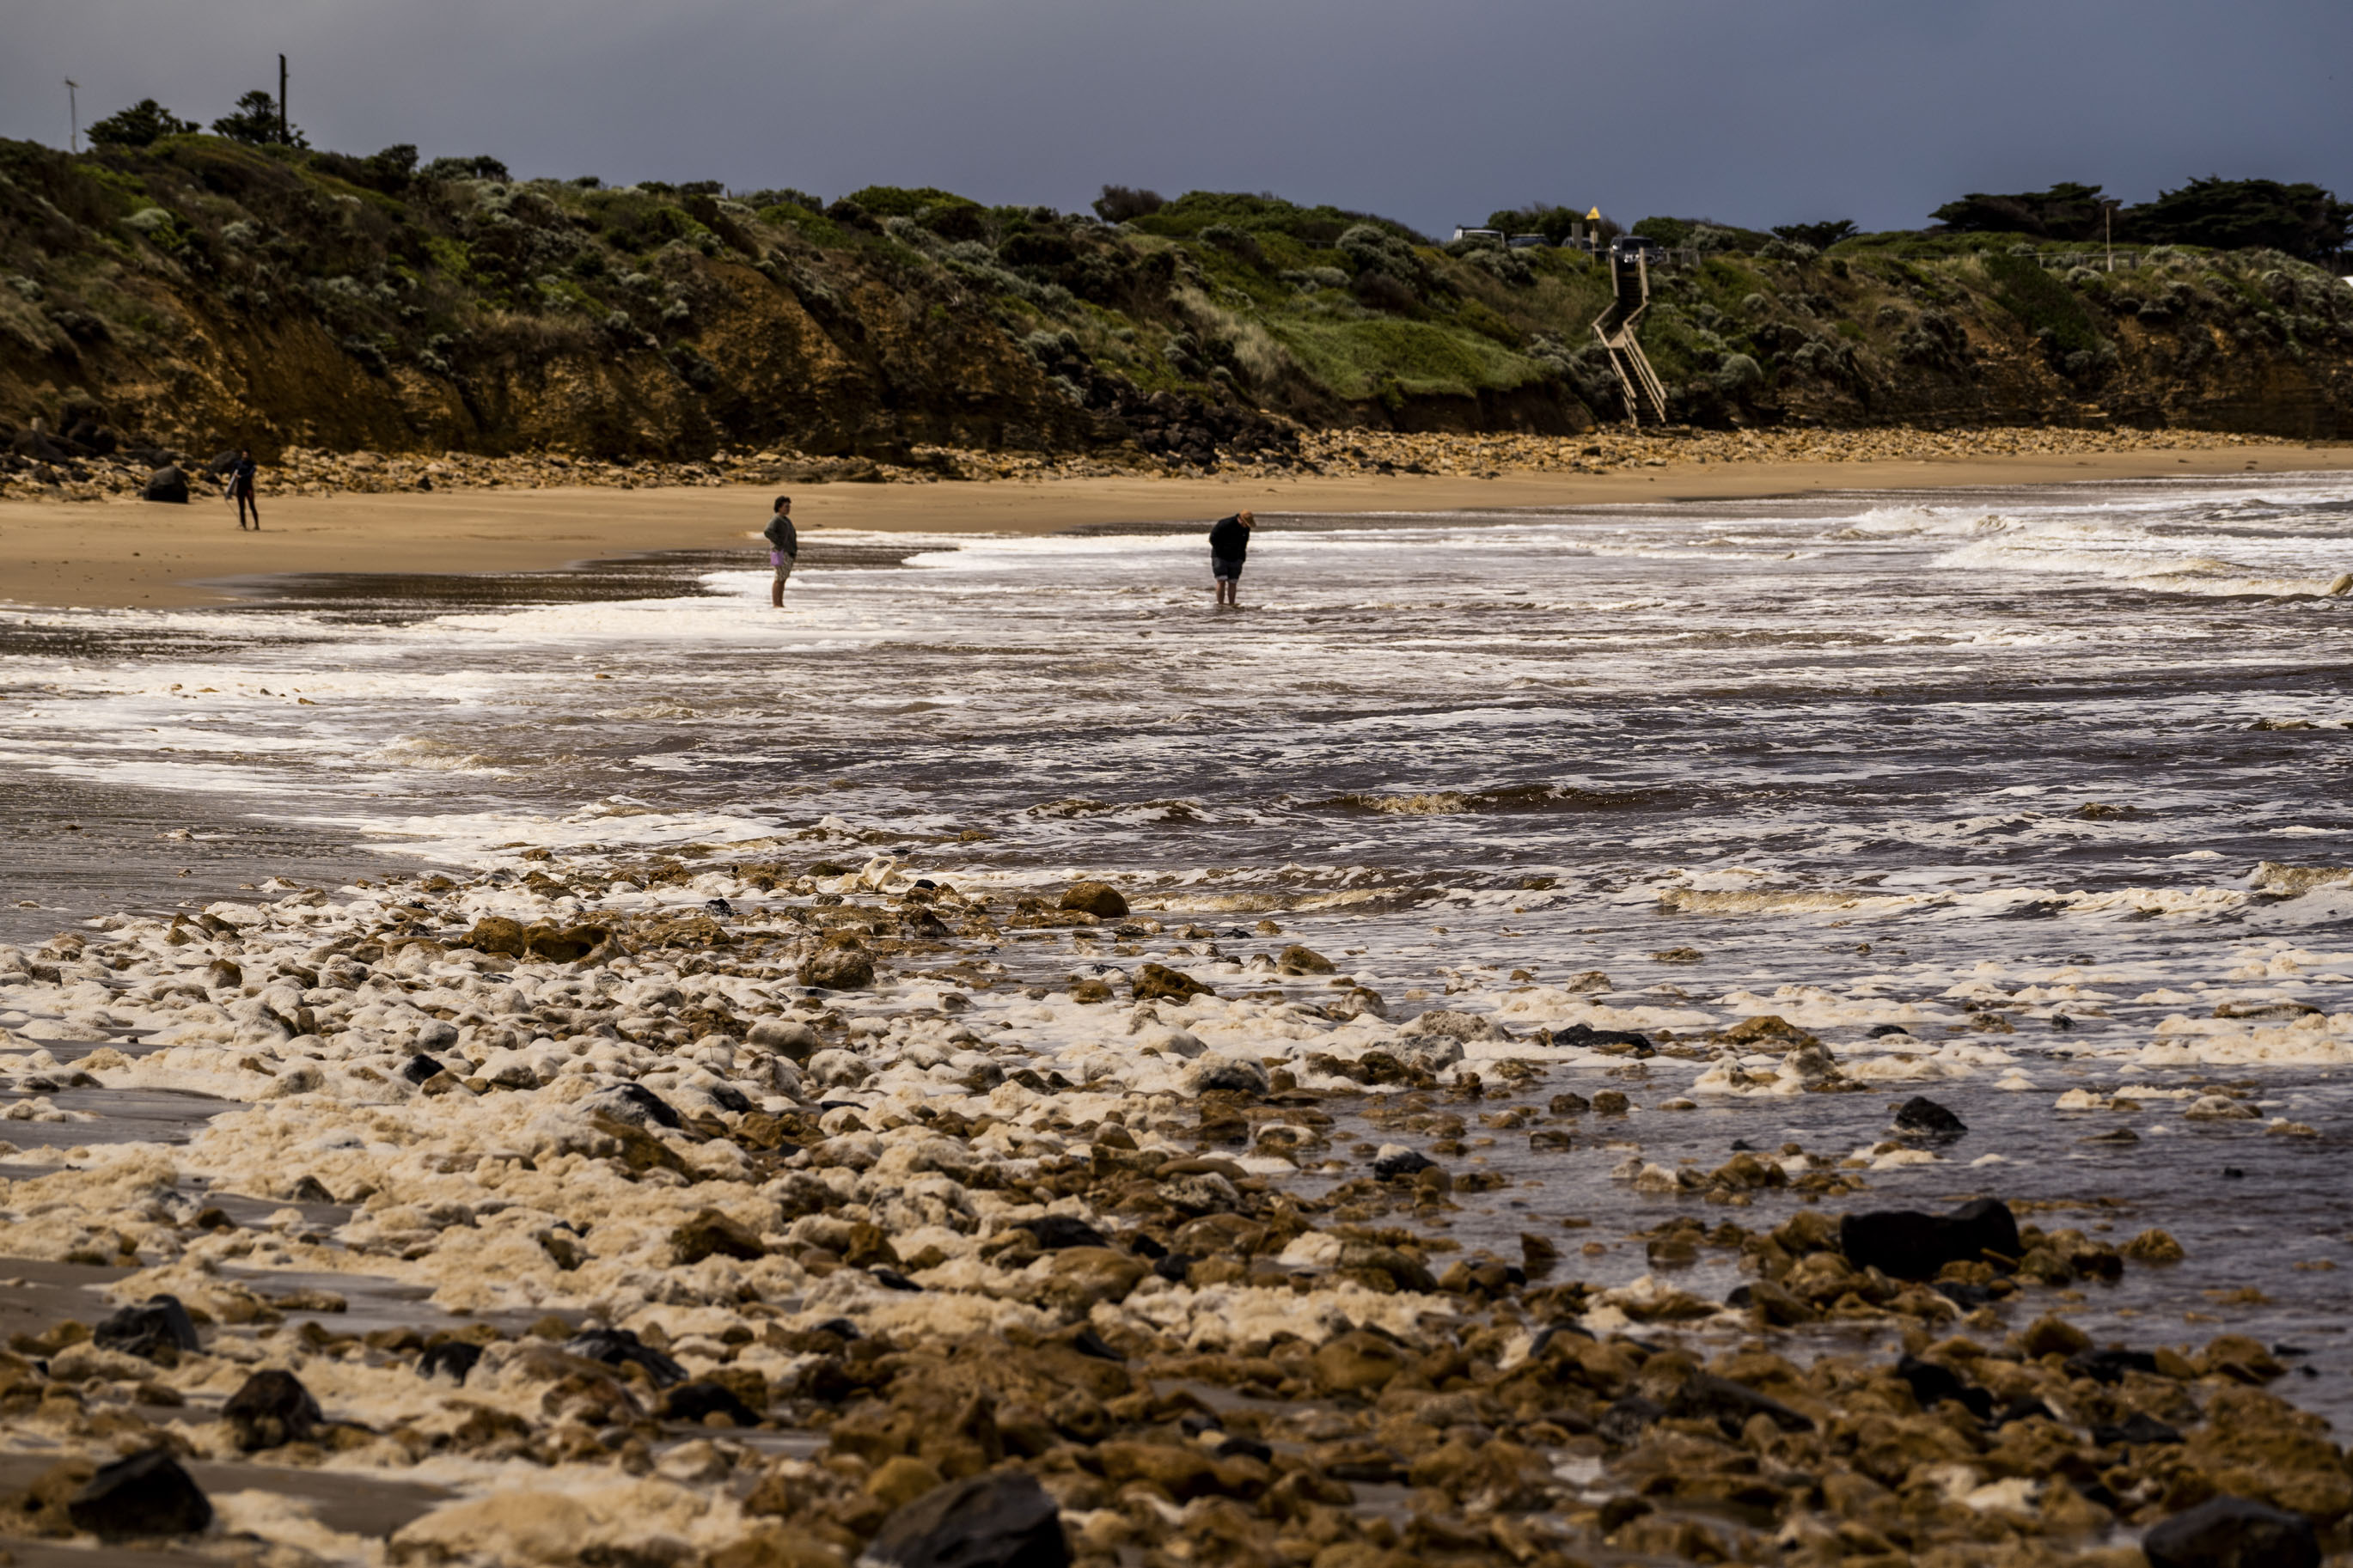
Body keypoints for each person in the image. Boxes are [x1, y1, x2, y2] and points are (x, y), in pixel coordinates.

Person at [1208, 509, 1254, 606]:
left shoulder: (1246, 528)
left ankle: (1231, 605)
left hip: (1236, 558)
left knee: (1233, 582)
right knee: (1221, 580)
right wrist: (1222, 551)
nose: (1246, 525)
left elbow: (1244, 544)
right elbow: (1213, 538)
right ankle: (1221, 605)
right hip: (1220, 556)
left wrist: (1242, 558)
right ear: (1241, 519)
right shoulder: (1224, 524)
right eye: (1246, 523)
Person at [763, 494, 797, 607]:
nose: (788, 509)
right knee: (779, 578)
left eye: (789, 506)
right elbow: (768, 531)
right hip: (778, 552)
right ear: (779, 507)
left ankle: (779, 603)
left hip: (786, 552)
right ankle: (776, 604)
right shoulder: (776, 519)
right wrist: (779, 543)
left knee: (783, 578)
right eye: (786, 506)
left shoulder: (785, 519)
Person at [227, 448, 260, 530]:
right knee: (241, 507)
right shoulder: (237, 463)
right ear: (242, 454)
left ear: (249, 455)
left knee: (252, 506)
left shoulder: (252, 464)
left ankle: (257, 525)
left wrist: (241, 476)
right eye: (244, 454)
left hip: (249, 488)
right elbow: (231, 471)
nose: (245, 456)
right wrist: (233, 476)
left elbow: (250, 474)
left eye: (247, 455)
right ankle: (244, 525)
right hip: (240, 487)